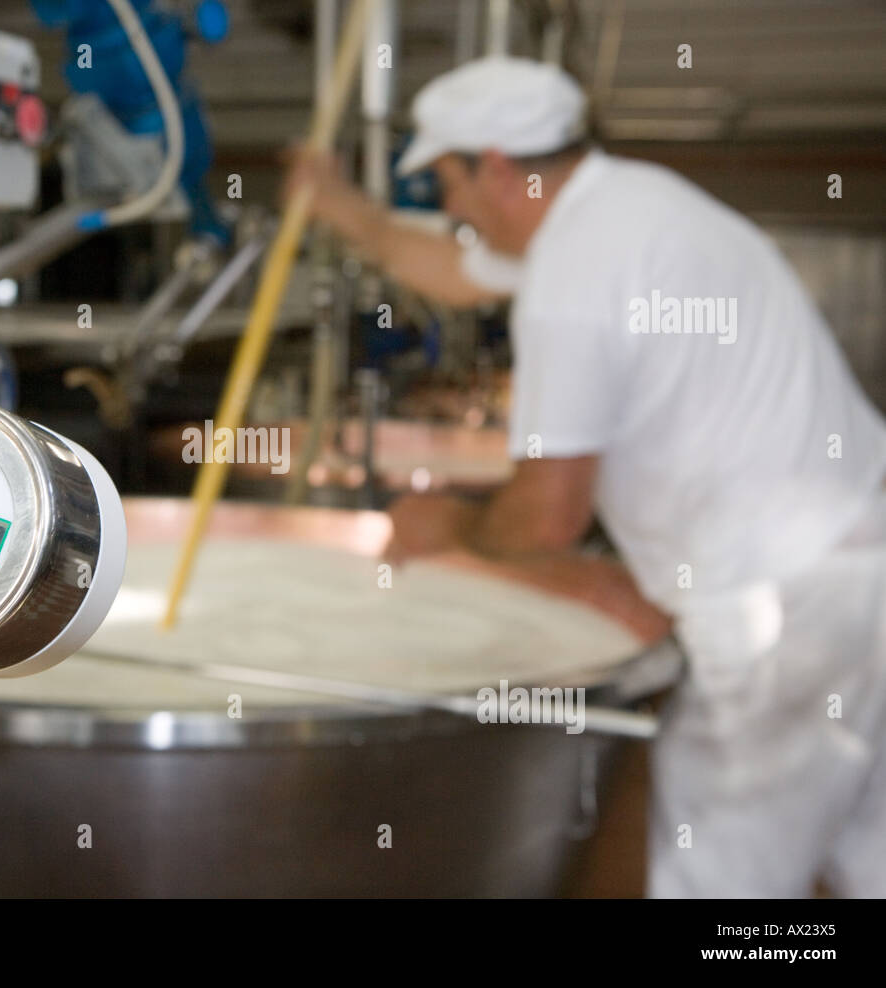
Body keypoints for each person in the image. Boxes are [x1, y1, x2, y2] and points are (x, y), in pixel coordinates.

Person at [285, 55, 886, 897]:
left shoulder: (573, 274)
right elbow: (451, 272)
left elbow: (545, 518)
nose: (450, 208)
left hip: (784, 608)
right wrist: (340, 208)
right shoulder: (630, 206)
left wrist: (441, 524)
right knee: (866, 857)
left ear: (496, 166)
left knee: (720, 873)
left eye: (449, 182)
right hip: (858, 566)